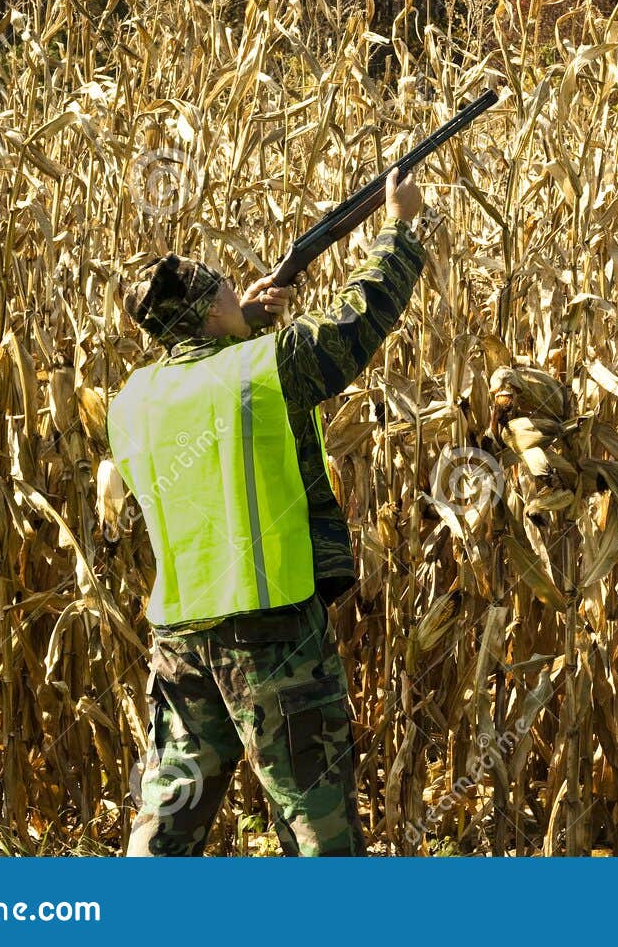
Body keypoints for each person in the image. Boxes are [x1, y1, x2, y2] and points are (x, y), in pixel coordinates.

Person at [108, 171, 425, 856]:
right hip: (272, 635)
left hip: (180, 639)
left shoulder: (133, 398)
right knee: (319, 828)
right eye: (222, 284)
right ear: (205, 308)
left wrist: (237, 327)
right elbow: (355, 325)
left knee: (167, 817)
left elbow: (208, 384)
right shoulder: (259, 369)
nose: (236, 284)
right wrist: (398, 230)